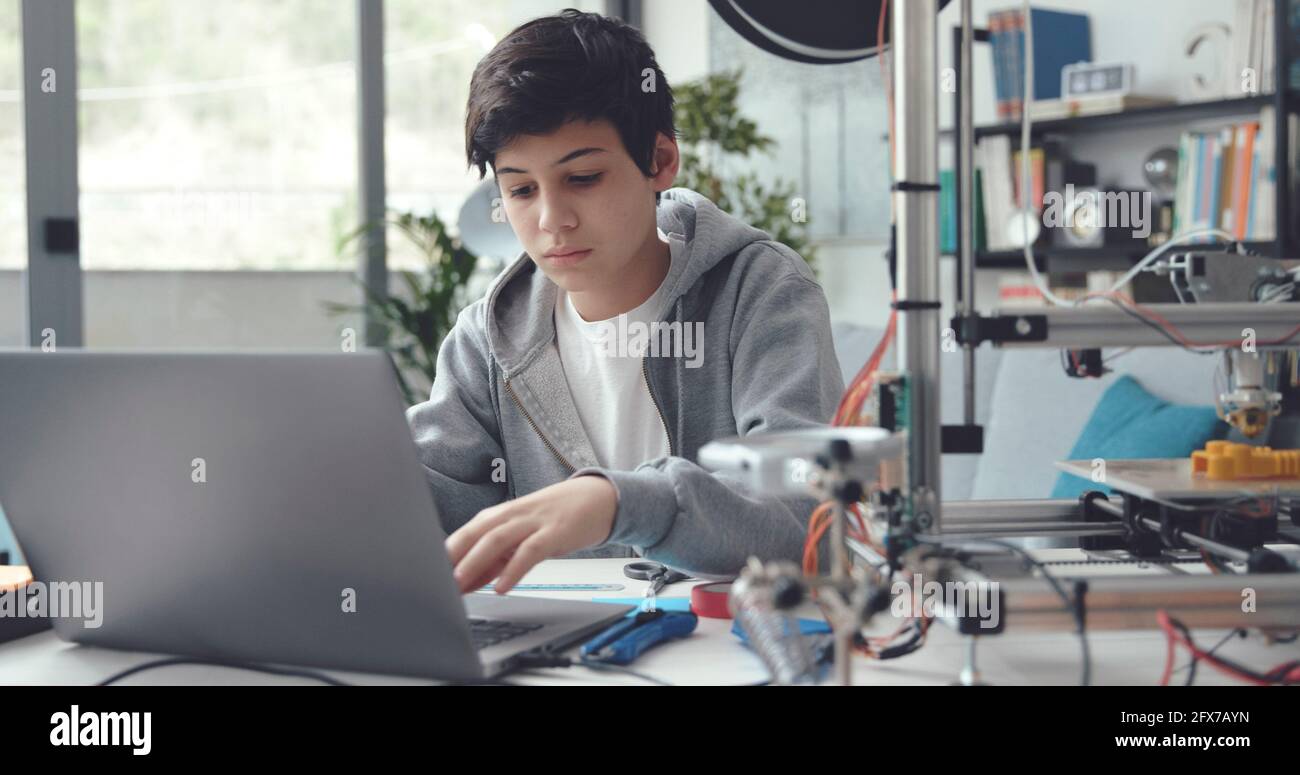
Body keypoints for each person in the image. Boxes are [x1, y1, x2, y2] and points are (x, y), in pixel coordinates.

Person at [406, 9, 843, 595]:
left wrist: (620, 503)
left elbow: (804, 522)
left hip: (723, 653)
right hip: (561, 660)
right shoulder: (487, 337)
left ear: (660, 162)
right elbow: (425, 506)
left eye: (583, 177)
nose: (551, 220)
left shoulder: (761, 293)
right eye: (520, 189)